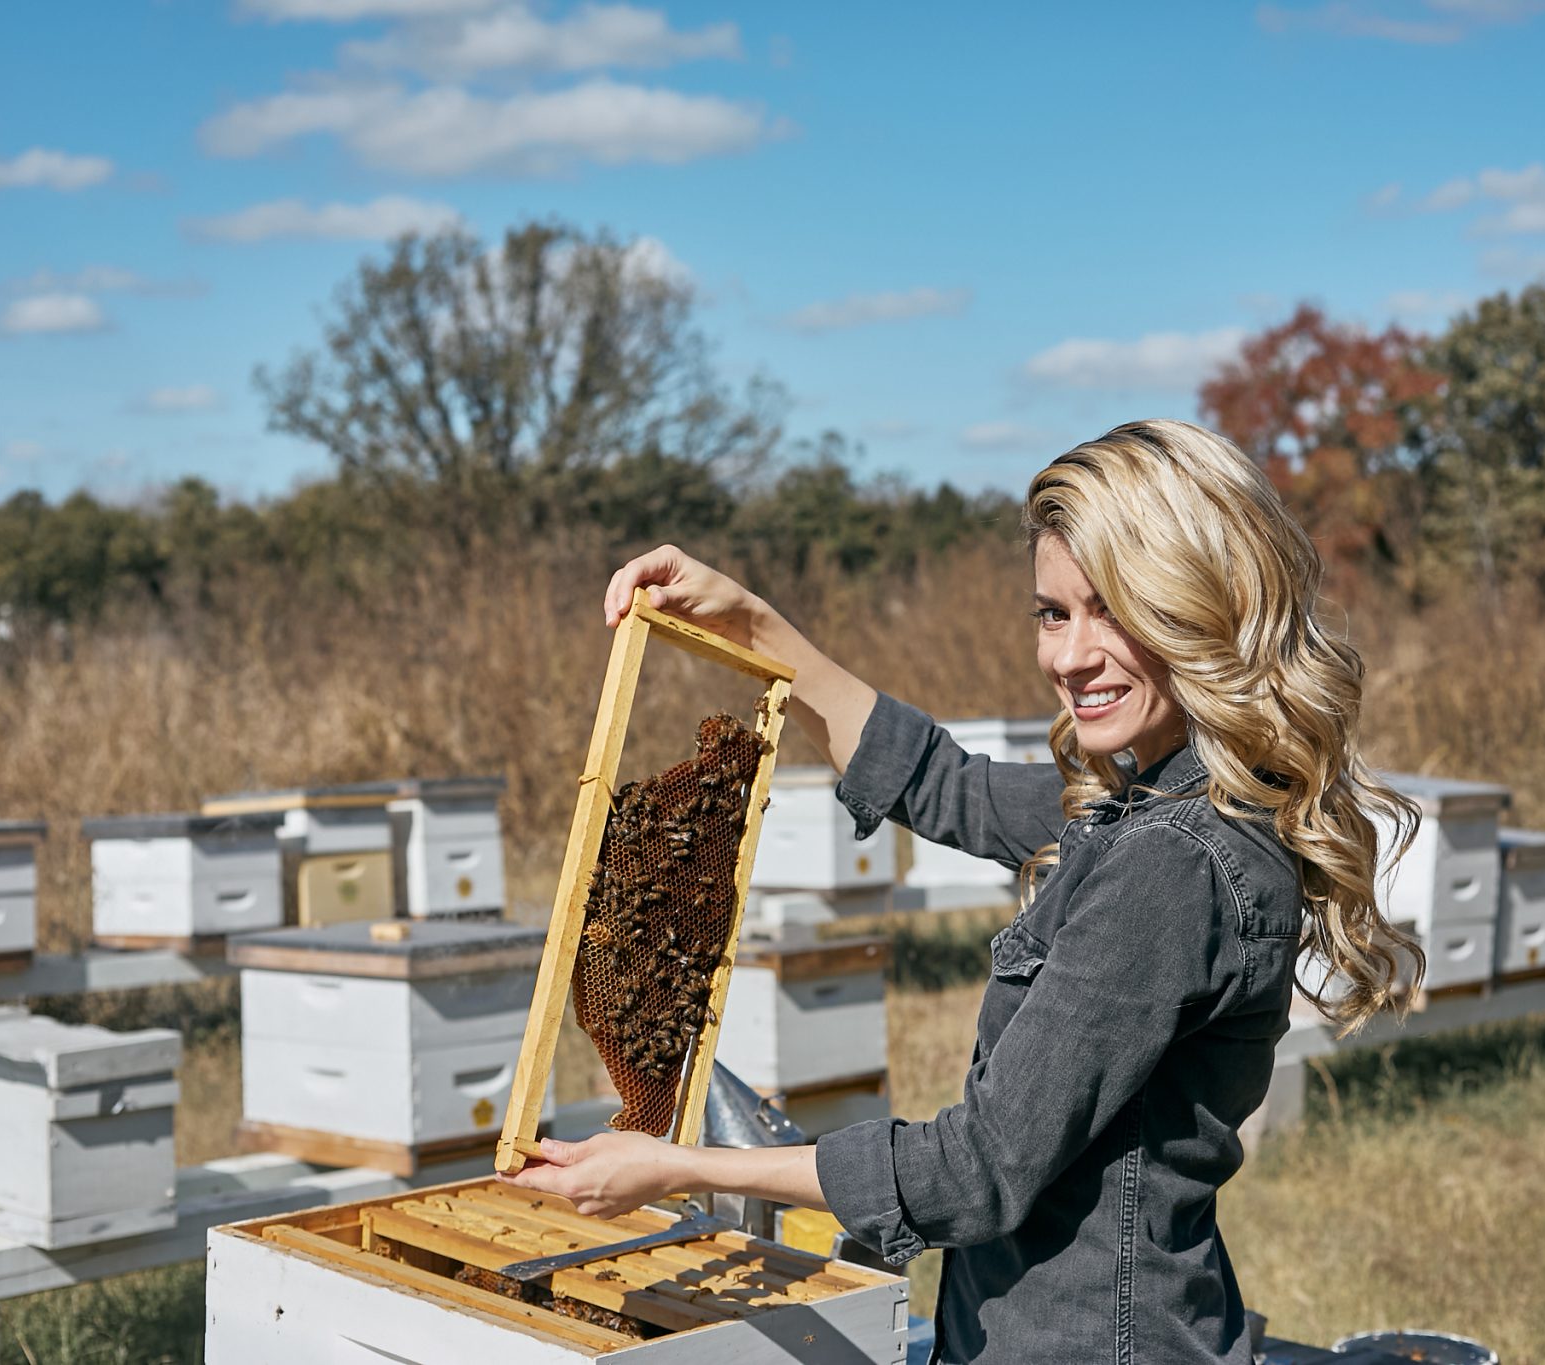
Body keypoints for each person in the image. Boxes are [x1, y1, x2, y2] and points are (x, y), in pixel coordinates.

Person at [500, 418, 1422, 1364]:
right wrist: (753, 623)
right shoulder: (1151, 801)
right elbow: (949, 785)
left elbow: (975, 1170)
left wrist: (677, 1164)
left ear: (1204, 605)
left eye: (1113, 610)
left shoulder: (1172, 863)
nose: (1070, 656)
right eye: (1053, 613)